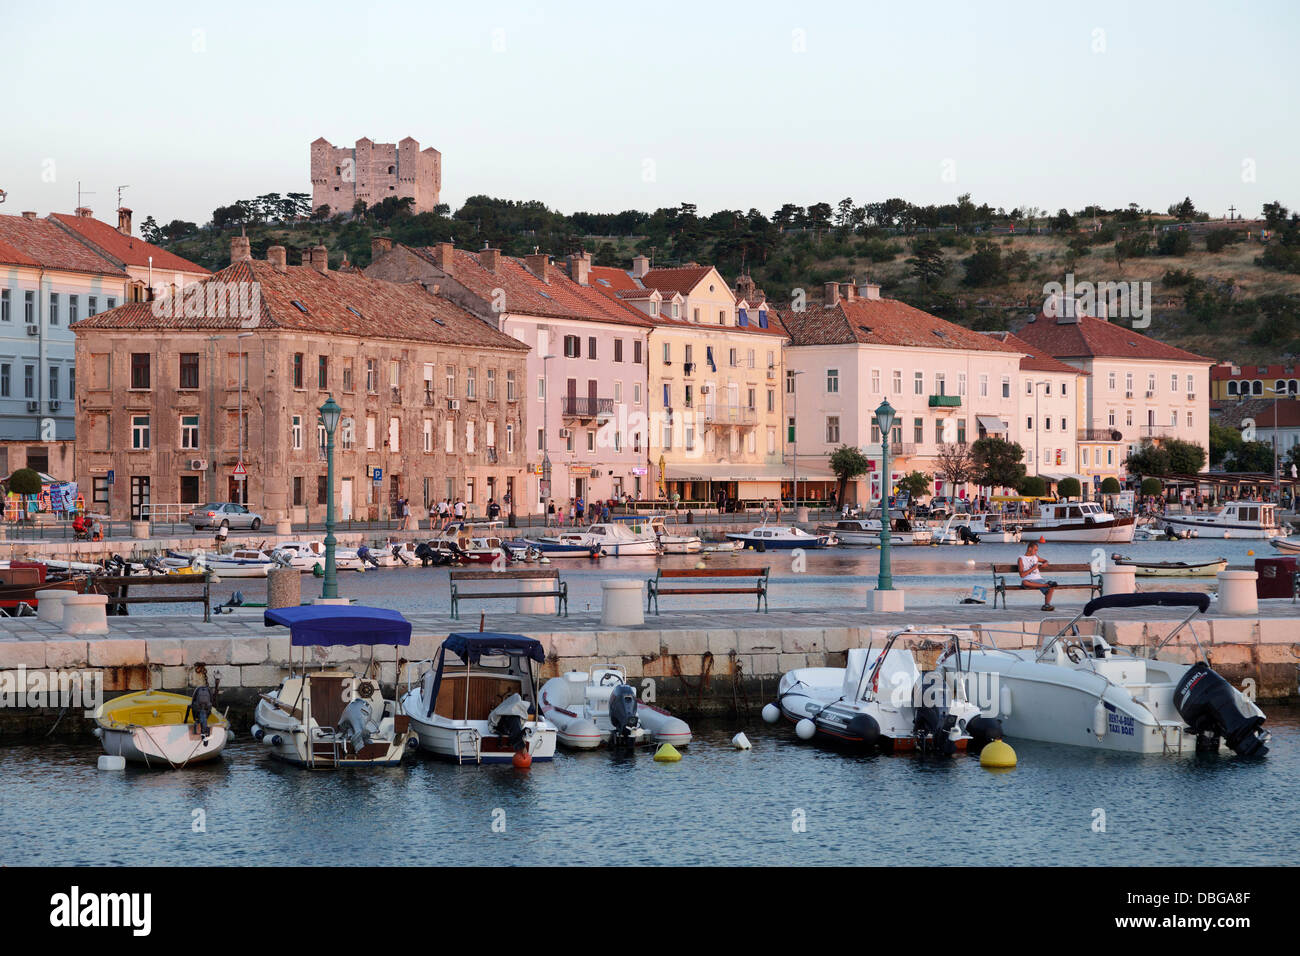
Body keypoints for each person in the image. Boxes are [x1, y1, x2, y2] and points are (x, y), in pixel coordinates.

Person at [1018, 541, 1057, 611]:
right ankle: (1046, 585)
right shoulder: (1021, 559)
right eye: (1035, 550)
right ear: (1030, 548)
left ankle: (1046, 605)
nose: (1036, 552)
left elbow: (1045, 560)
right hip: (1029, 580)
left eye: (1037, 550)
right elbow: (1022, 575)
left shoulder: (1035, 557)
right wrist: (1033, 568)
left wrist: (1046, 563)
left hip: (1039, 579)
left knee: (1052, 587)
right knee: (1024, 582)